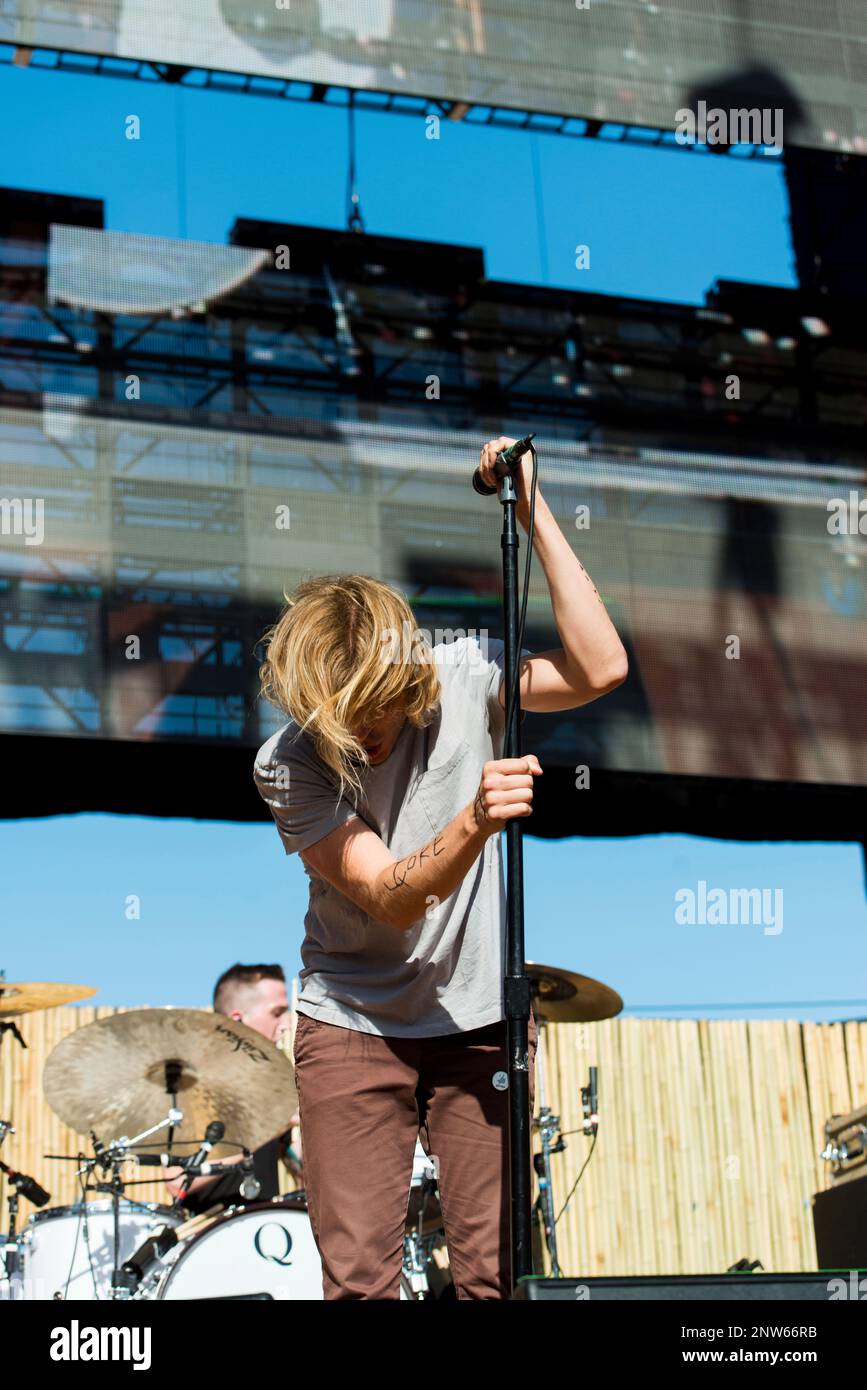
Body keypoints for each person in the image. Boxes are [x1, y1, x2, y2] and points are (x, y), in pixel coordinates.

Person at [253, 436, 628, 1299]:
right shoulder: (289, 760)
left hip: (477, 1021)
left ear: (406, 672)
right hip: (352, 1022)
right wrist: (474, 820)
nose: (364, 742)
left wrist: (530, 504)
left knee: (495, 1276)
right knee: (357, 1283)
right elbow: (389, 896)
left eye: (375, 717)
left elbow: (600, 667)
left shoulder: (464, 675)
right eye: (342, 728)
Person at [164, 964, 302, 1215]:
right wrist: (268, 1131)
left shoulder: (274, 1087)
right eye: (277, 1013)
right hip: (206, 1235)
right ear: (238, 1021)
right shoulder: (197, 1085)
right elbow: (177, 1180)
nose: (286, 1025)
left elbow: (298, 1168)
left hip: (266, 1234)